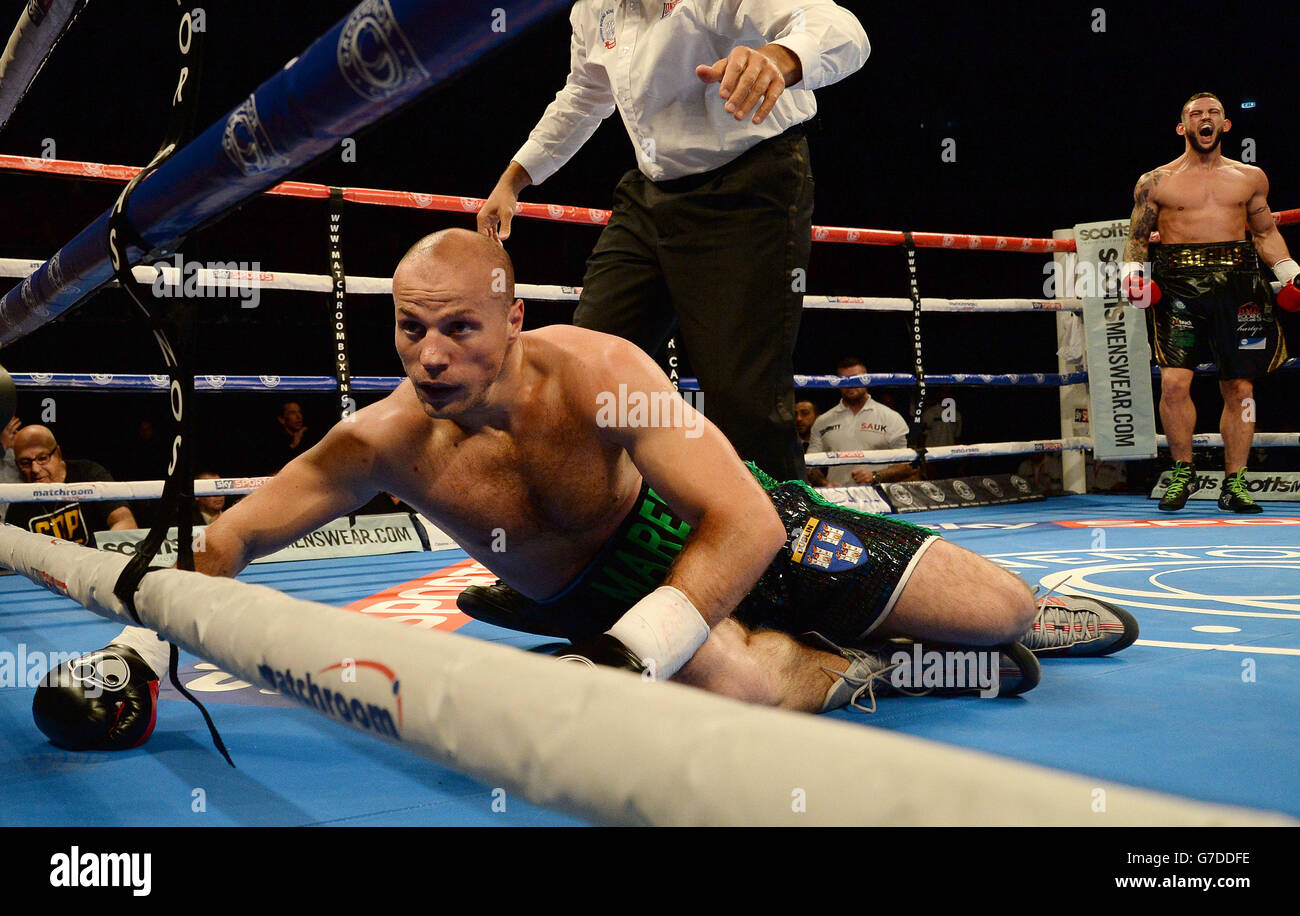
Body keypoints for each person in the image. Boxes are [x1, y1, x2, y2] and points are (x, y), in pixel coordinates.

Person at [35, 231, 1136, 751]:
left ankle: (927, 618)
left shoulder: (602, 373)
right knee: (743, 702)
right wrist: (134, 659)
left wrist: (637, 649)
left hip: (738, 535)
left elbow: (744, 516)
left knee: (998, 615)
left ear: (509, 320)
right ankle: (841, 664)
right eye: (409, 329)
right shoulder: (381, 442)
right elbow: (225, 547)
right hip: (605, 597)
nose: (429, 355)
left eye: (458, 327)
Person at [477, 1, 871, 483]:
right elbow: (583, 96)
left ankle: (776, 537)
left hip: (747, 186)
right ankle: (612, 515)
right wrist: (513, 182)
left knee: (743, 394)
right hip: (650, 193)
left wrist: (781, 57)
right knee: (589, 361)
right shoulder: (591, 10)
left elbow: (844, 30)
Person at [1121, 91, 1299, 514]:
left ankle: (1235, 481)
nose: (1206, 119)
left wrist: (1291, 273)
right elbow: (1138, 238)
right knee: (1175, 382)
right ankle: (1183, 471)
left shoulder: (1249, 177)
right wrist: (1132, 276)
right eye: (1196, 114)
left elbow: (1264, 231)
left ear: (1226, 125)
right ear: (1182, 127)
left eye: (1213, 113)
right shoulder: (1155, 181)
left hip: (1239, 283)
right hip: (1178, 283)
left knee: (1240, 385)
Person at [5, 425, 137, 545]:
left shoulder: (88, 475)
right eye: (25, 462)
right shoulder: (19, 504)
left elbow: (125, 522)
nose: (35, 469)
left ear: (58, 454)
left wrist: (94, 560)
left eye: (42, 458)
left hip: (96, 566)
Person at [806, 358, 916, 487]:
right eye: (844, 380)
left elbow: (907, 466)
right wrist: (824, 483)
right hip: (837, 498)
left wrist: (875, 476)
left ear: (867, 379)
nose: (850, 385)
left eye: (856, 379)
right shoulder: (823, 421)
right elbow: (810, 464)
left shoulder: (891, 418)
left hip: (879, 497)